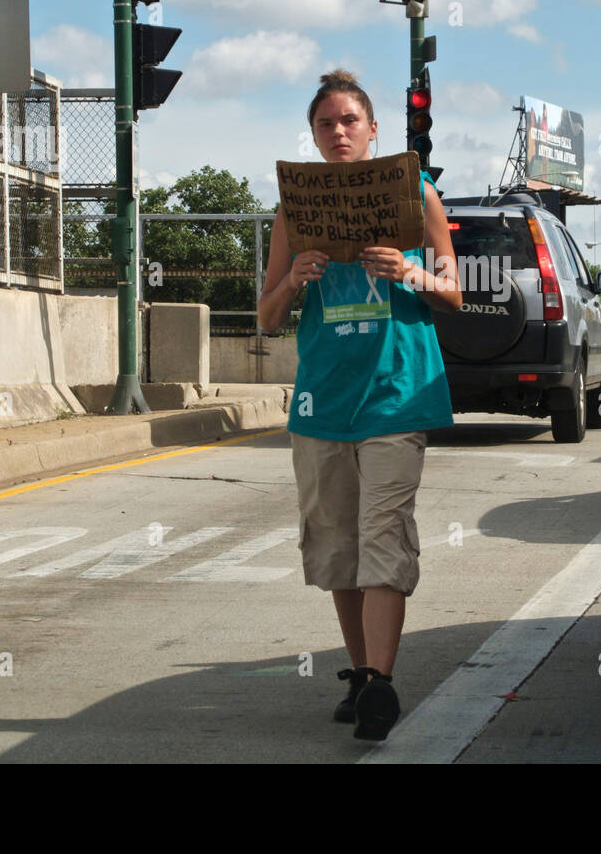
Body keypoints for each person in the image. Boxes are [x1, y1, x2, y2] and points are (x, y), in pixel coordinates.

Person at [257, 69, 461, 741]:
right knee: (339, 545)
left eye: (350, 120)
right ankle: (360, 673)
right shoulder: (295, 210)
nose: (338, 131)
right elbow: (266, 319)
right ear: (313, 135)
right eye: (326, 123)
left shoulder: (418, 195)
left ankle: (380, 681)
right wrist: (295, 278)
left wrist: (411, 272)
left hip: (395, 395)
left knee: (383, 535)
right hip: (322, 403)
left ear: (374, 130)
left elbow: (453, 294)